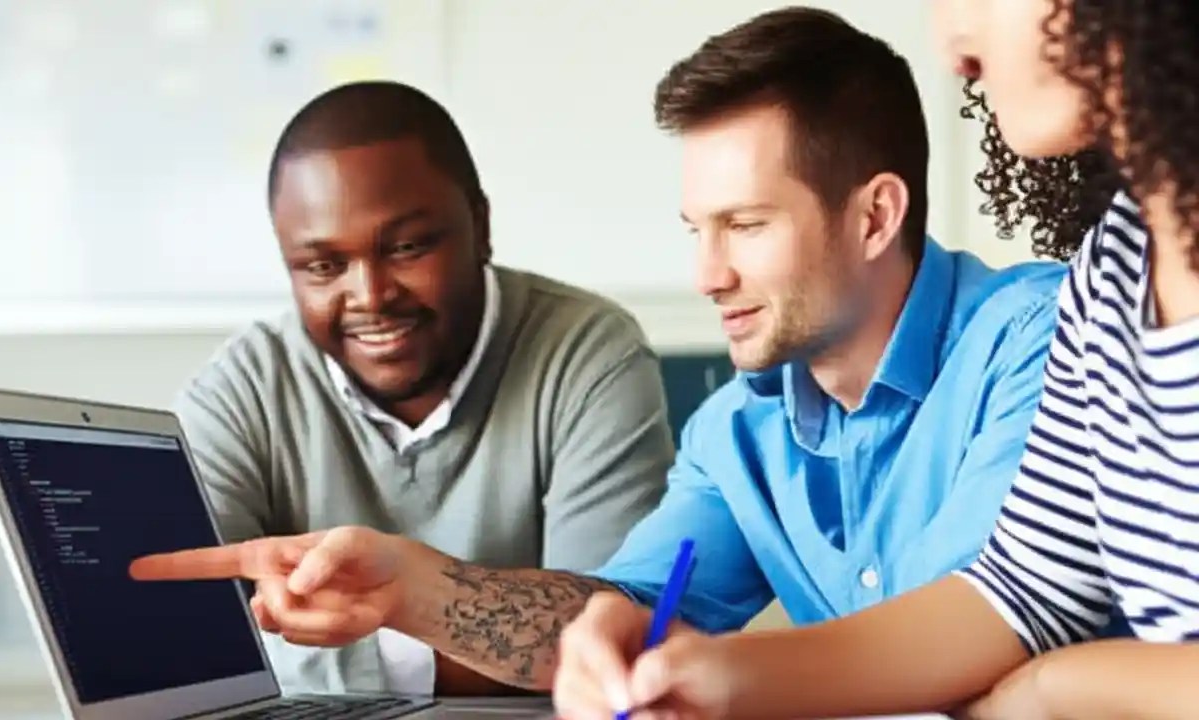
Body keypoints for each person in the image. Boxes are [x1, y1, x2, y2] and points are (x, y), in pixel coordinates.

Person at [129, 6, 1066, 698]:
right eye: (696, 228)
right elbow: (615, 613)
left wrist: (720, 676)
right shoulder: (738, 432)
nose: (707, 274)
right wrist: (415, 591)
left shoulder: (1036, 340)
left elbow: (986, 627)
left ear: (874, 216)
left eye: (744, 225)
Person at [547, 0, 1199, 718]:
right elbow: (1020, 593)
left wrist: (1053, 691)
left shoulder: (1027, 330)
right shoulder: (1110, 271)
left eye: (747, 224)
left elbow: (1033, 652)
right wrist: (721, 673)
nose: (952, 42)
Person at [165, 80, 675, 695]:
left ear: (480, 226)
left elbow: (612, 638)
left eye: (406, 248)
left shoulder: (587, 353)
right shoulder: (241, 388)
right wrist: (462, 645)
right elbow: (182, 644)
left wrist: (379, 626)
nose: (371, 296)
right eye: (323, 267)